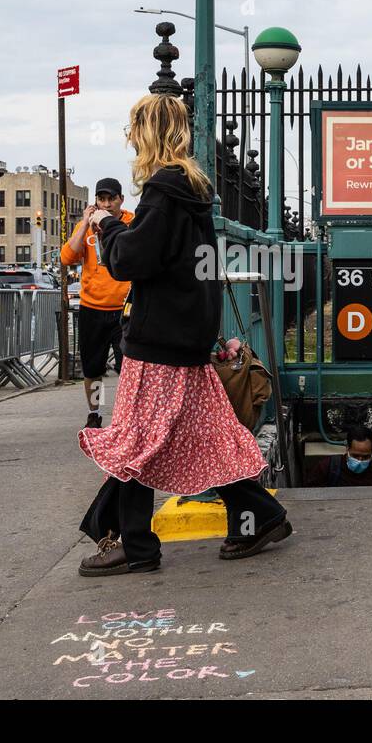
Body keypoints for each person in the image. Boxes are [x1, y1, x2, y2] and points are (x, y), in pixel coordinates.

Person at [76, 93, 292, 576]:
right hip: (185, 336)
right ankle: (262, 516)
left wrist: (108, 225)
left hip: (160, 339)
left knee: (136, 438)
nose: (129, 138)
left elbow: (133, 259)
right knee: (205, 436)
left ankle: (135, 544)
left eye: (133, 129)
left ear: (147, 133)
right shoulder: (188, 186)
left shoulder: (162, 189)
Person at [60, 177, 133, 429]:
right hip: (92, 307)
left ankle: (126, 416)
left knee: (129, 368)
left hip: (124, 308)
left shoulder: (130, 222)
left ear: (121, 200)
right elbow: (67, 256)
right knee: (93, 369)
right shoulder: (87, 228)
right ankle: (95, 412)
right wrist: (84, 223)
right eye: (102, 199)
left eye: (112, 198)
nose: (107, 203)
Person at [304, 425, 372, 487]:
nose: (360, 460)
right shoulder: (326, 468)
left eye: (365, 457)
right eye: (355, 455)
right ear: (347, 448)